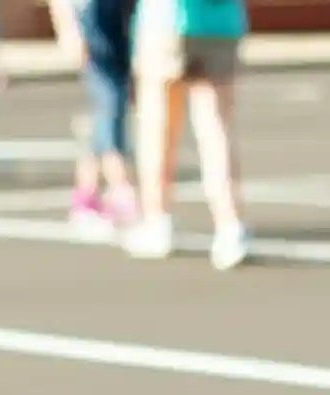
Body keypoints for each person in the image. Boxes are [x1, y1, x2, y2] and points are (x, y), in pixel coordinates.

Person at [123, 0, 251, 271]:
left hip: (165, 19)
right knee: (216, 126)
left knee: (158, 126)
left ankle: (157, 220)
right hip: (221, 22)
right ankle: (229, 223)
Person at [47, 0, 139, 229]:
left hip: (117, 18)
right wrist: (68, 26)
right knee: (110, 101)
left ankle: (86, 194)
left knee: (110, 104)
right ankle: (119, 186)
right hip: (91, 18)